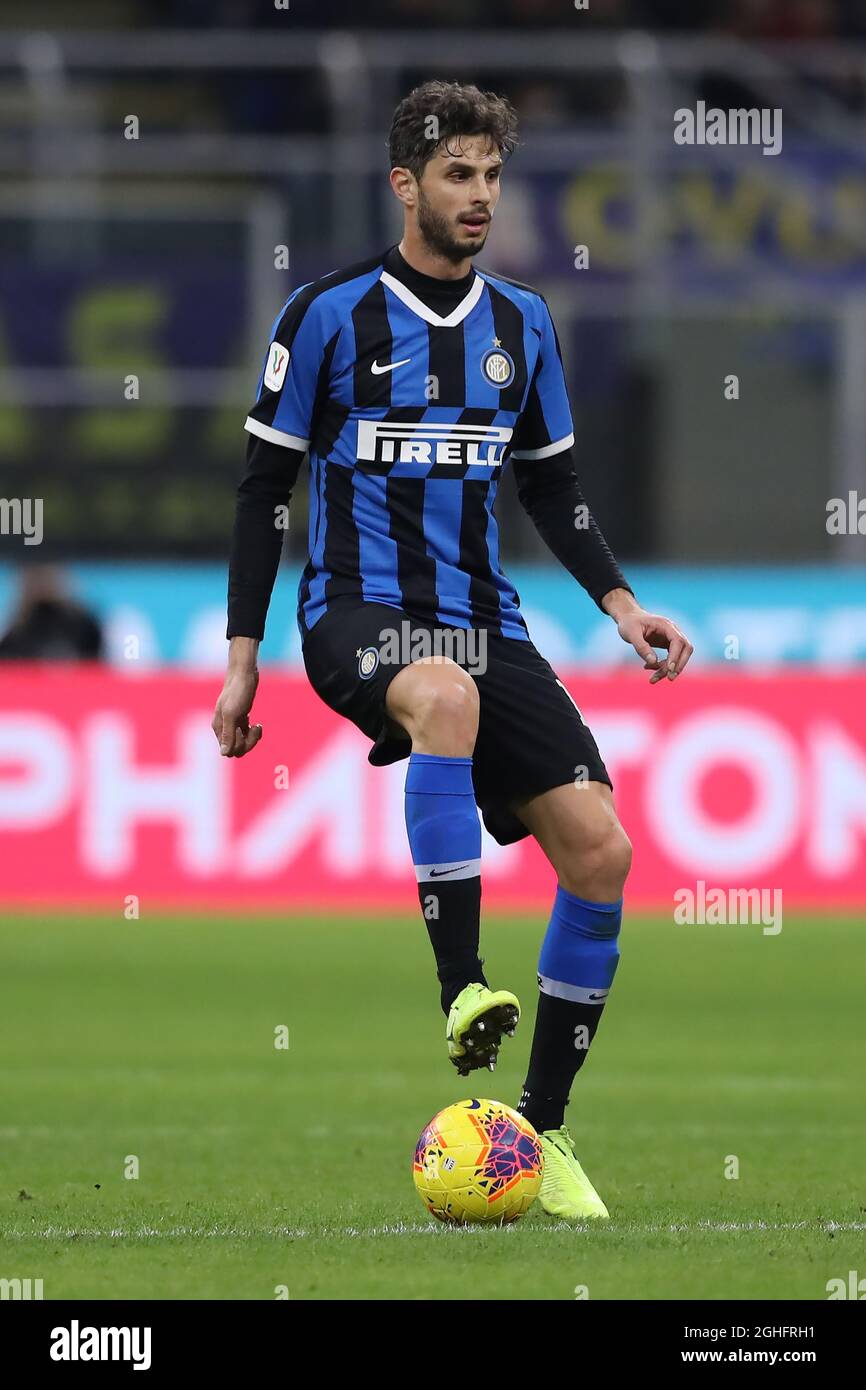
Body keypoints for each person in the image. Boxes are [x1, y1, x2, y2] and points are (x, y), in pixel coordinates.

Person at [212, 80, 693, 1220]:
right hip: (353, 614)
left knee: (601, 853)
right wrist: (242, 659)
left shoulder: (521, 323)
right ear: (403, 185)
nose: (478, 197)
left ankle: (540, 1129)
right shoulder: (326, 314)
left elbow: (554, 488)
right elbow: (260, 491)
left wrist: (622, 607)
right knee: (442, 698)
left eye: (490, 176)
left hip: (487, 619)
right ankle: (461, 984)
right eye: (455, 176)